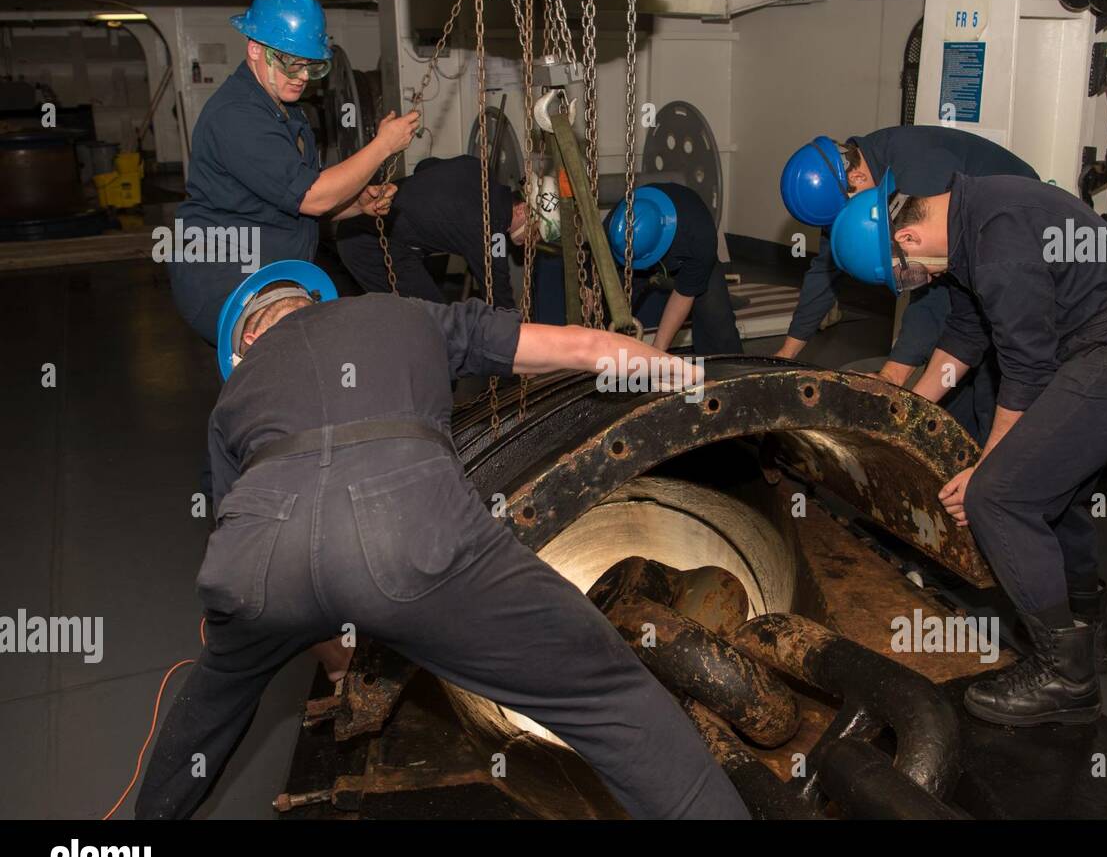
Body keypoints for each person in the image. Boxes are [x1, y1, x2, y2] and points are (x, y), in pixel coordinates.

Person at [134, 260, 749, 820]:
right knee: (606, 695)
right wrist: (685, 375)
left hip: (257, 567)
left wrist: (326, 634)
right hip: (413, 529)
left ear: (246, 342)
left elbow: (249, 525)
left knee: (206, 714)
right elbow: (580, 347)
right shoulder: (404, 313)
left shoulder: (232, 396)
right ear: (318, 300)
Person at [829, 171, 1107, 726]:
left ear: (907, 240)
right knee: (1055, 493)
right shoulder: (975, 218)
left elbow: (1025, 364)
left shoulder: (997, 238)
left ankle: (1065, 678)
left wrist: (987, 465)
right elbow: (966, 337)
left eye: (907, 275)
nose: (917, 281)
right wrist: (905, 416)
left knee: (999, 497)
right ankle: (1085, 628)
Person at [168, 0, 419, 345]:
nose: (303, 77)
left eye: (311, 67)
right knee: (289, 365)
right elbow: (311, 197)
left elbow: (290, 200)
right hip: (224, 276)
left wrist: (355, 203)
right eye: (292, 65)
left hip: (267, 267)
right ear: (255, 50)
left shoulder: (284, 111)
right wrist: (382, 146)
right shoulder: (237, 117)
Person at [776, 126, 1038, 442]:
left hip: (1013, 241)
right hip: (966, 272)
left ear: (856, 180)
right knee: (957, 368)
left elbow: (932, 289)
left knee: (992, 384)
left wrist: (892, 376)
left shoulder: (919, 175)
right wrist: (786, 354)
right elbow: (825, 270)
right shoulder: (847, 182)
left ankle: (987, 466)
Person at [334, 155, 532, 306]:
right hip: (369, 243)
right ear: (522, 209)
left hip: (356, 221)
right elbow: (499, 296)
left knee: (427, 313)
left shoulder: (477, 167)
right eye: (536, 232)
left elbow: (425, 165)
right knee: (434, 323)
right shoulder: (491, 228)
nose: (532, 241)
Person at [601, 182, 742, 355]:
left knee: (717, 321)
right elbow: (593, 274)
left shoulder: (699, 236)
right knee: (606, 316)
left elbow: (683, 295)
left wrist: (657, 353)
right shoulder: (614, 227)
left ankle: (728, 372)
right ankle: (605, 367)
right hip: (630, 261)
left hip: (687, 251)